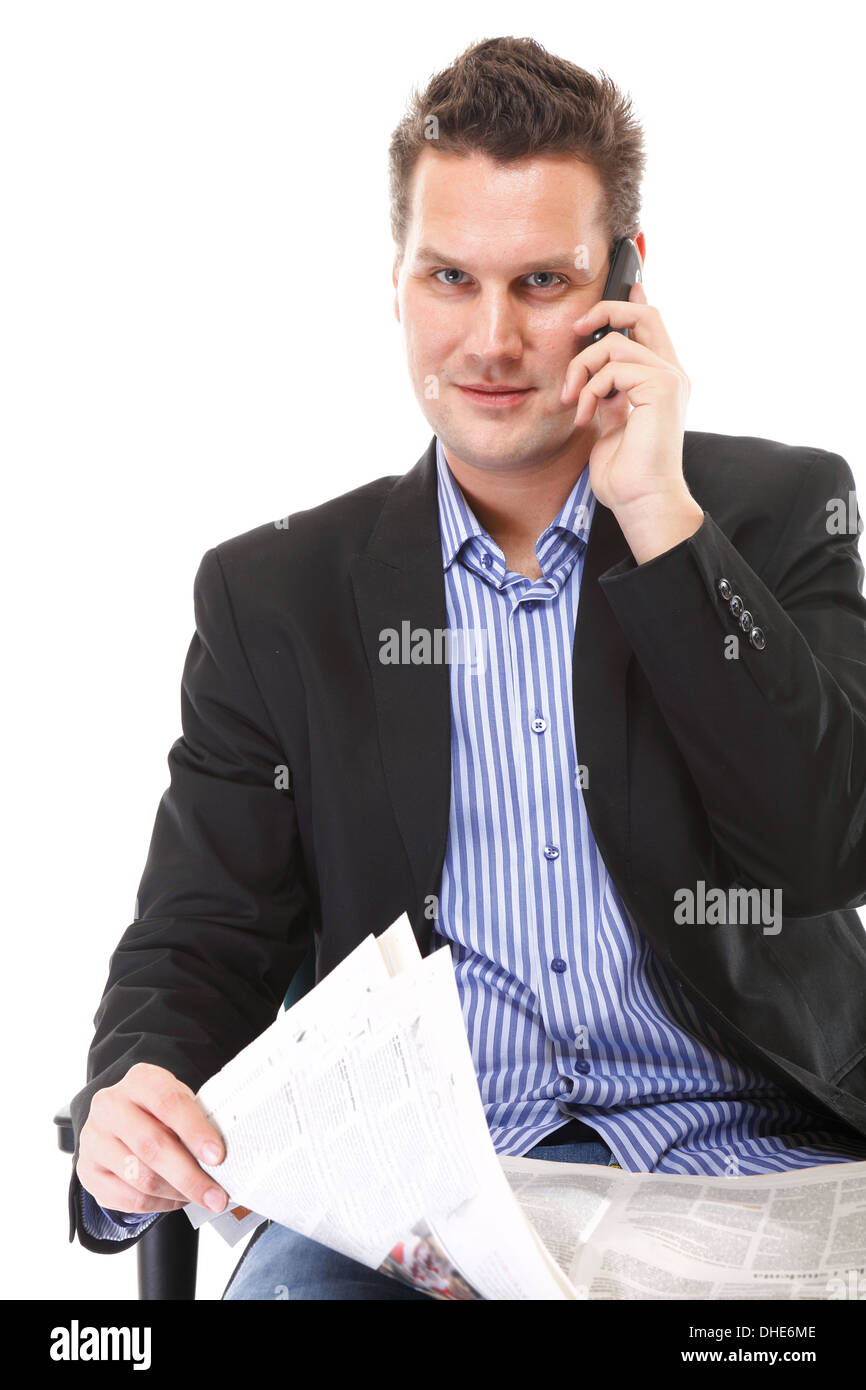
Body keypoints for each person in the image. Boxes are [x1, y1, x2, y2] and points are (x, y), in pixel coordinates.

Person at [69, 36, 866, 1300]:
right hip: (433, 1195)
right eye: (450, 276)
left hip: (743, 1167)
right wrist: (134, 1094)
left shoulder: (771, 514)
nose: (490, 338)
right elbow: (203, 933)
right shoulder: (274, 596)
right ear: (397, 283)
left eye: (541, 280)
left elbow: (819, 846)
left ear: (623, 281)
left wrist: (659, 520)